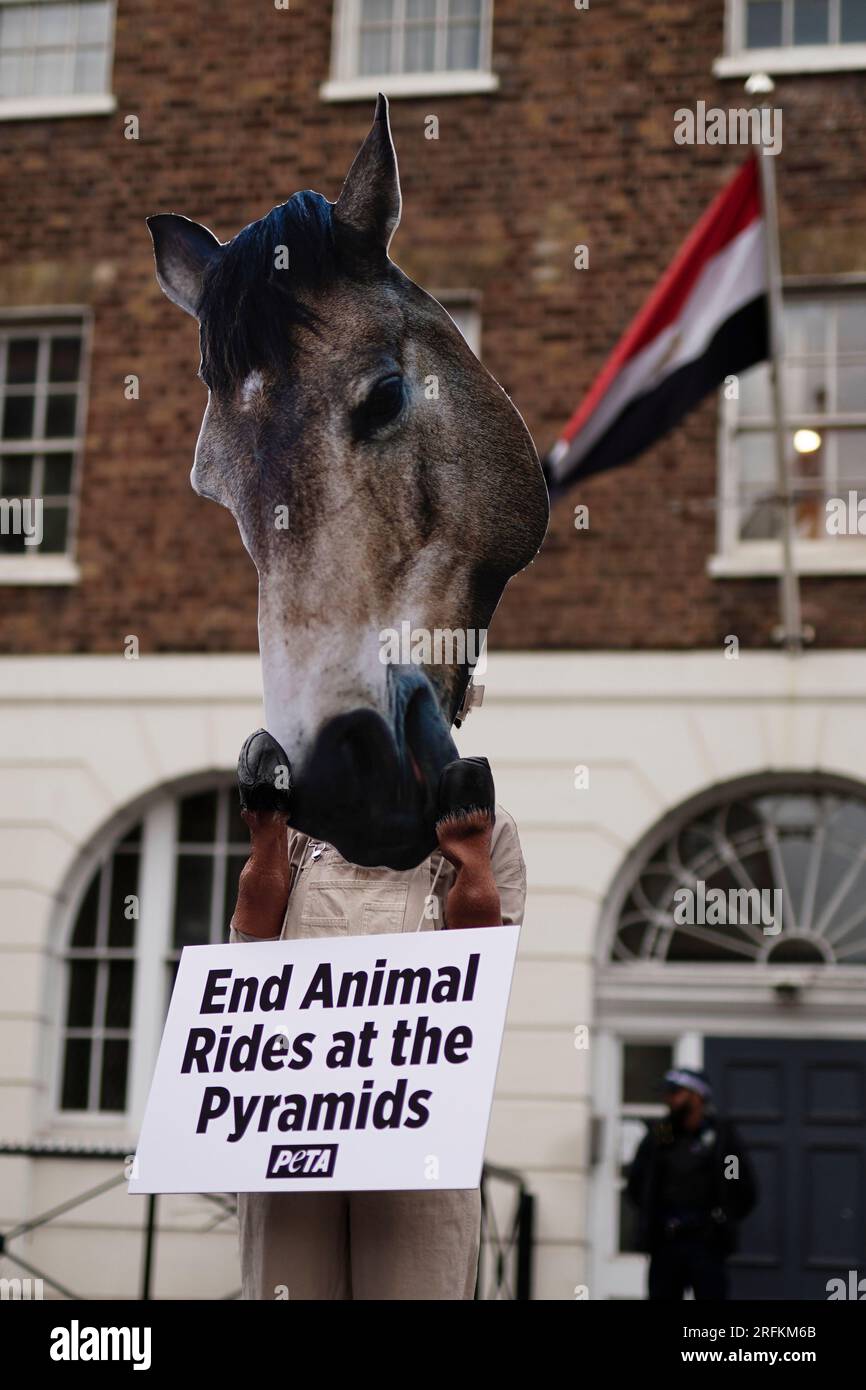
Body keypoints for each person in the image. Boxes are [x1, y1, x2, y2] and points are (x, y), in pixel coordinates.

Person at [227, 729, 527, 1300]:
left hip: (416, 1124)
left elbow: (477, 975)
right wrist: (267, 835)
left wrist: (469, 852)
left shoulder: (492, 823)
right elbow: (252, 964)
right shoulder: (298, 815)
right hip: (291, 1116)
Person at [626, 1067, 757, 1301]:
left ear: (697, 1096)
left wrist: (723, 1218)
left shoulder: (721, 1137)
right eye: (667, 1093)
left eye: (676, 1093)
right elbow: (638, 1182)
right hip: (666, 1243)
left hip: (706, 1243)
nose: (669, 1099)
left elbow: (739, 1186)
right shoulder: (661, 1135)